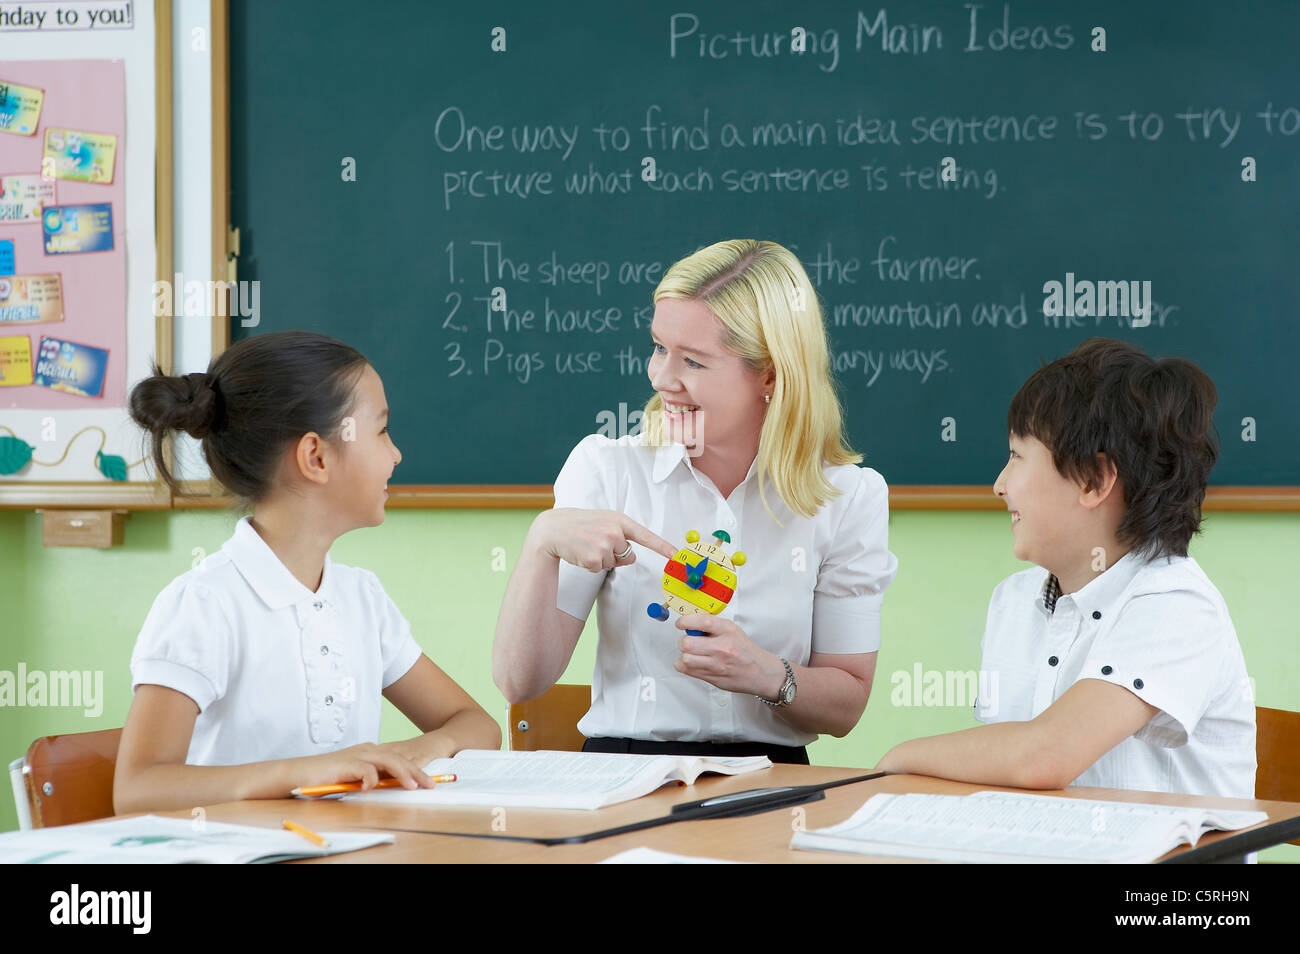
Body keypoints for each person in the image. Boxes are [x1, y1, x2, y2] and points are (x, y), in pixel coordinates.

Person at [493, 240, 898, 764]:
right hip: (628, 773)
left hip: (772, 783)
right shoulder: (608, 470)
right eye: (659, 347)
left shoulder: (847, 498)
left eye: (694, 362)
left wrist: (764, 674)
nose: (662, 378)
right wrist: (541, 542)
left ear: (770, 376)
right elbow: (518, 682)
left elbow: (845, 708)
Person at [114, 331, 500, 814]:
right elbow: (138, 789)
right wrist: (301, 772)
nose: (396, 454)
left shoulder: (363, 598)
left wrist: (409, 753)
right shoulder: (206, 604)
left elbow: (477, 725)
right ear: (316, 456)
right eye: (381, 431)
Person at [876, 338, 1254, 797]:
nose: (999, 485)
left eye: (1016, 456)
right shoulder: (1014, 600)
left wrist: (897, 760)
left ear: (1094, 479)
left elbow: (1044, 756)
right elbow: (1009, 767)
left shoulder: (1177, 606)